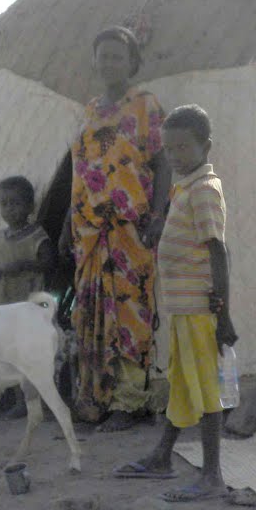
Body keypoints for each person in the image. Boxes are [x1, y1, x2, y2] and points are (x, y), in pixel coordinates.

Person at [113, 104, 237, 501]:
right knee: (182, 384)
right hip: (182, 308)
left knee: (204, 390)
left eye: (183, 148)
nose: (175, 156)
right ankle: (162, 457)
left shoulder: (203, 191)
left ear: (207, 147)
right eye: (169, 149)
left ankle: (213, 475)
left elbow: (219, 252)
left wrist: (224, 316)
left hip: (200, 309)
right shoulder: (185, 185)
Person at [58, 26, 171, 432]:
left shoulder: (144, 105)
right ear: (94, 61)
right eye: (103, 56)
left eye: (117, 57)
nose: (109, 63)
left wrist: (157, 216)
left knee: (130, 313)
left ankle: (130, 400)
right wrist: (70, 222)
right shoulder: (89, 110)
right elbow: (81, 170)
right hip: (90, 230)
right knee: (91, 313)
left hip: (130, 228)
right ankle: (100, 398)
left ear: (132, 63)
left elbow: (162, 162)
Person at [0, 175, 56, 305]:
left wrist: (24, 265)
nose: (9, 208)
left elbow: (50, 263)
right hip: (2, 302)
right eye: (4, 204)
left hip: (29, 302)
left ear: (30, 207)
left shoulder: (36, 235)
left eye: (15, 203)